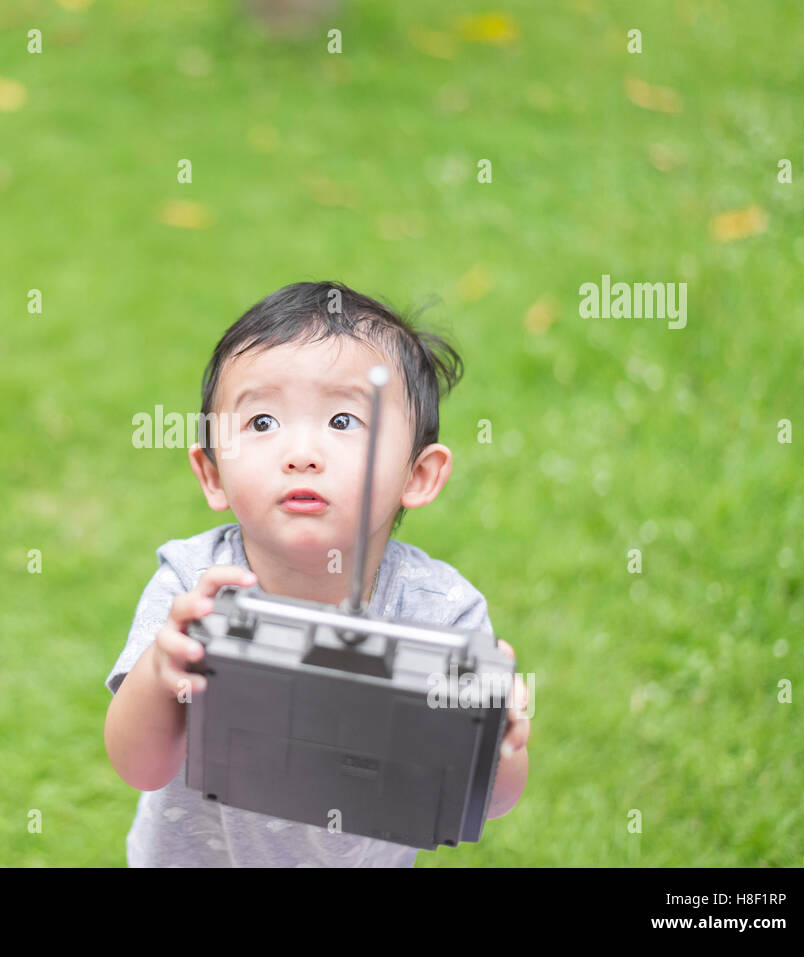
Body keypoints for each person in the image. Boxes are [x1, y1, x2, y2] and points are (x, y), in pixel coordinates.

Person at [104, 280, 530, 866]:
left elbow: (485, 804)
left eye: (343, 421)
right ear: (212, 475)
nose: (301, 451)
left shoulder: (440, 614)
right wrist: (160, 670)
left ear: (419, 475)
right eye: (261, 423)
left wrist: (499, 742)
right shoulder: (194, 587)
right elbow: (139, 767)